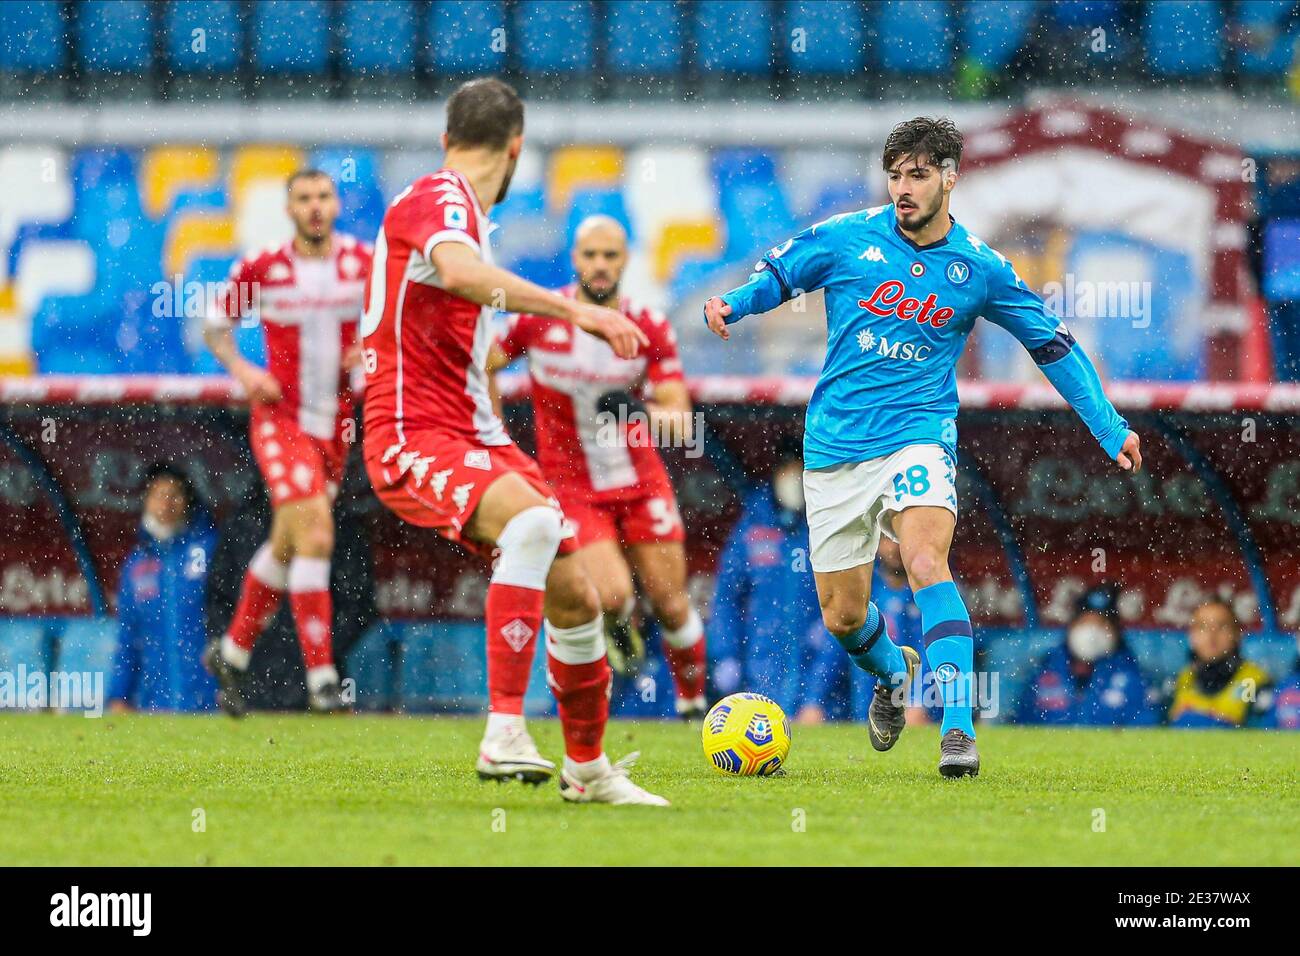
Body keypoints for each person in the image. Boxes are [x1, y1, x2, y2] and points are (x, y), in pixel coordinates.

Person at [704, 116, 1142, 777]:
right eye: (895, 175)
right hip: (835, 448)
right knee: (845, 615)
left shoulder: (982, 269)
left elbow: (1051, 343)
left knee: (924, 560)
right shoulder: (850, 236)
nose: (903, 188)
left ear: (949, 177)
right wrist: (735, 304)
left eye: (917, 174)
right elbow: (782, 271)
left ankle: (958, 731)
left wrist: (1110, 427)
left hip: (919, 436)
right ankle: (891, 671)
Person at [359, 77, 665, 805]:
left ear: (448, 135)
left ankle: (587, 771)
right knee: (529, 523)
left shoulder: (457, 209)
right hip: (411, 433)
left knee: (578, 595)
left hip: (472, 434)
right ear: (517, 148)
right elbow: (463, 275)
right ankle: (503, 731)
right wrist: (576, 311)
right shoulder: (442, 198)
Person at [485, 215, 706, 718]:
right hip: (573, 486)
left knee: (673, 604)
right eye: (591, 255)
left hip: (640, 481)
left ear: (626, 259)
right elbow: (485, 362)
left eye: (610, 255)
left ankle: (694, 708)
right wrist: (494, 434)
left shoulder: (647, 324)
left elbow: (680, 420)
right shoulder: (538, 320)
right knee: (609, 596)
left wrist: (638, 411)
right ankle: (618, 626)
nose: (600, 265)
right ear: (575, 259)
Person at [202, 169, 372, 716]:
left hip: (336, 425)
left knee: (288, 543)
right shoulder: (266, 267)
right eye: (304, 198)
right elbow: (214, 324)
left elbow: (393, 326)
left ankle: (232, 653)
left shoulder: (364, 264)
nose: (315, 207)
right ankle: (322, 680)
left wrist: (369, 350)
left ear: (337, 203)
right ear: (289, 208)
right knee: (317, 532)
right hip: (282, 419)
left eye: (323, 196)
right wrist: (244, 372)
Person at [711, 436, 820, 709]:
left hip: (819, 671)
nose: (794, 479)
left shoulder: (824, 522)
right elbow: (726, 598)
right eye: (788, 470)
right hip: (761, 667)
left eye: (801, 470)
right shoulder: (752, 526)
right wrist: (726, 655)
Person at [109, 463, 218, 713]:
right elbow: (128, 637)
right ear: (146, 501)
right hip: (155, 704)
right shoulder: (135, 565)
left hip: (211, 702)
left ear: (187, 502)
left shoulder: (210, 550)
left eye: (175, 495)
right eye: (159, 494)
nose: (166, 503)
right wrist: (119, 695)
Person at [799, 537, 933, 725]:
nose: (894, 547)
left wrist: (919, 701)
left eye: (900, 539)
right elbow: (833, 650)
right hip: (864, 702)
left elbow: (931, 653)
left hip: (920, 710)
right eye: (887, 539)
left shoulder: (929, 593)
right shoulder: (864, 589)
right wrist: (813, 702)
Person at [1016, 584, 1157, 726]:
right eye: (1086, 622)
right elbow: (1019, 724)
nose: (1092, 634)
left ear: (1115, 632)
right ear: (1073, 626)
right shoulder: (1045, 669)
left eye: (1102, 624)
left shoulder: (1133, 675)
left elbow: (1146, 726)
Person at [1167, 598, 1272, 728]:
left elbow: (1260, 732)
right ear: (1191, 635)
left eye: (1221, 626)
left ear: (1236, 634)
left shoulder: (1252, 681)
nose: (1211, 635)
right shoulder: (1180, 680)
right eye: (1202, 627)